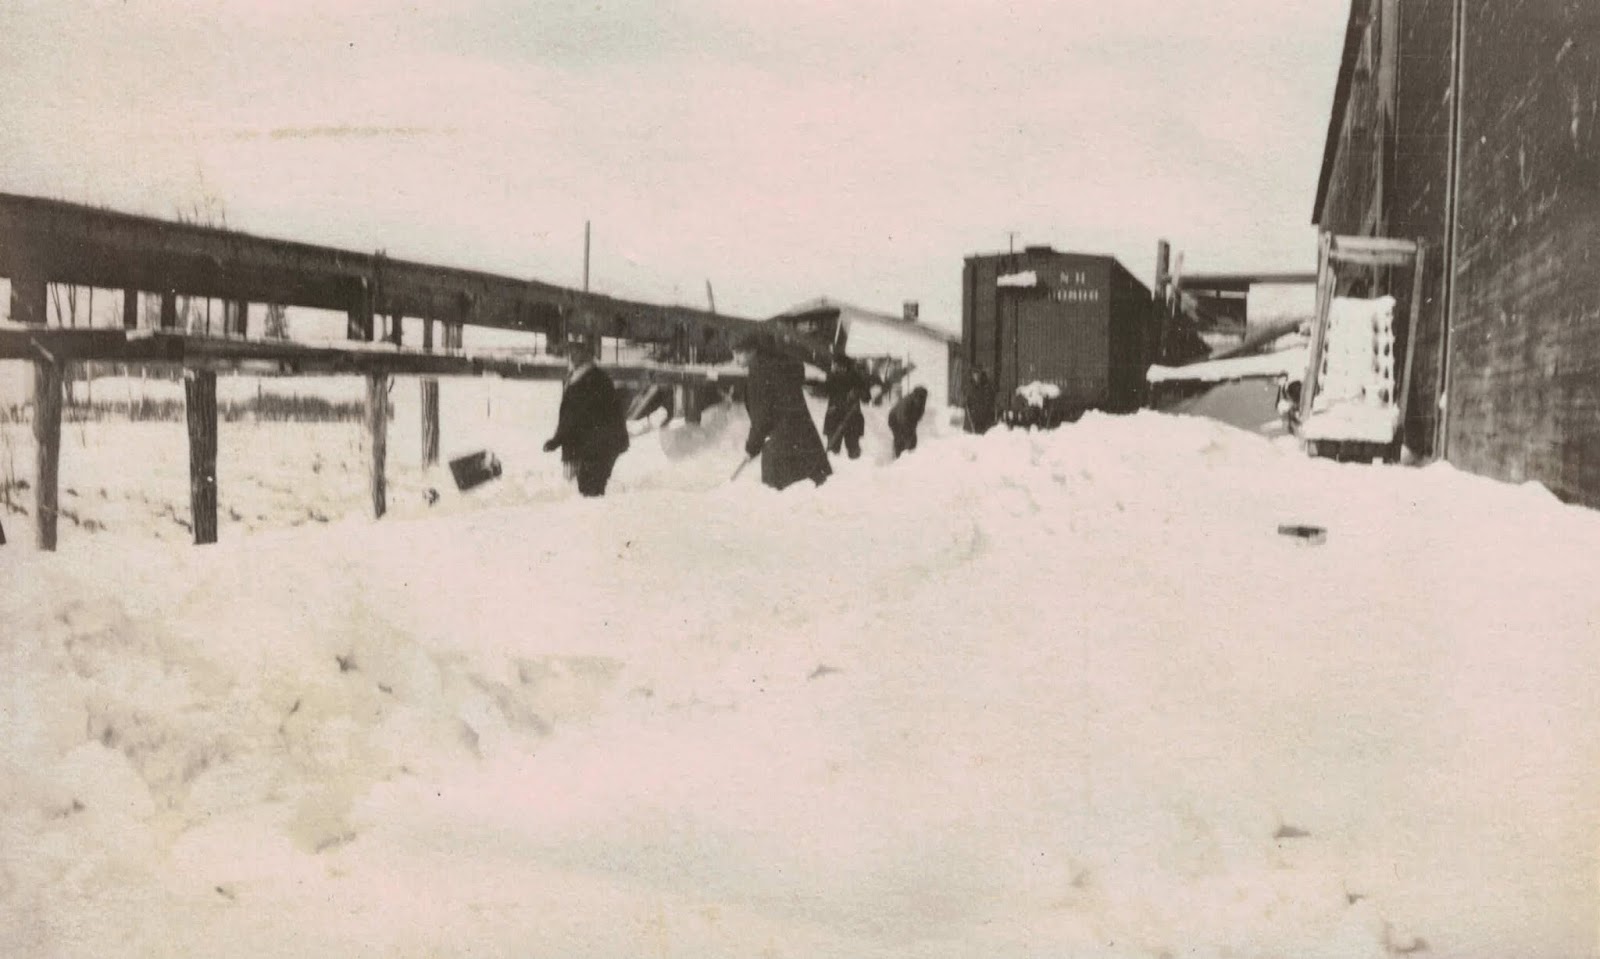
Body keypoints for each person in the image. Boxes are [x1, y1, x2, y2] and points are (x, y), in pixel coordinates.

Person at [742, 333, 831, 490]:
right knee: (812, 492)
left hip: (780, 447)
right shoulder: (782, 364)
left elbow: (761, 417)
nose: (735, 358)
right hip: (805, 439)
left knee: (777, 496)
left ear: (753, 351)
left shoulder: (759, 373)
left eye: (739, 353)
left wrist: (752, 447)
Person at [543, 342, 630, 497]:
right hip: (600, 445)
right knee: (591, 492)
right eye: (570, 352)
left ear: (588, 355)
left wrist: (557, 440)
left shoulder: (588, 380)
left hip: (595, 447)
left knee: (589, 492)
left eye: (576, 352)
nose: (572, 356)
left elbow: (574, 417)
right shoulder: (588, 377)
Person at [821, 349, 875, 459]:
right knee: (833, 450)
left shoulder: (856, 378)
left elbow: (866, 398)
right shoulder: (832, 377)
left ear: (845, 366)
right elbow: (824, 391)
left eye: (838, 366)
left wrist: (858, 392)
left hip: (851, 417)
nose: (836, 368)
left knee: (853, 451)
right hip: (834, 416)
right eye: (835, 366)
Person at [888, 385, 928, 459]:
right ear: (915, 395)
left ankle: (910, 457)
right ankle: (898, 458)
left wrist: (912, 427)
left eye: (924, 398)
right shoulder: (907, 402)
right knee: (900, 437)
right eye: (920, 397)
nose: (922, 400)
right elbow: (902, 417)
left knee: (912, 439)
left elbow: (918, 416)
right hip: (894, 418)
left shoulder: (921, 402)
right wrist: (907, 430)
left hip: (907, 420)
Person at [964, 366, 996, 434]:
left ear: (981, 374)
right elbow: (968, 401)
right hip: (973, 419)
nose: (976, 376)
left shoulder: (986, 386)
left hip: (984, 419)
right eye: (974, 374)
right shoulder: (970, 385)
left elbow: (989, 402)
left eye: (977, 374)